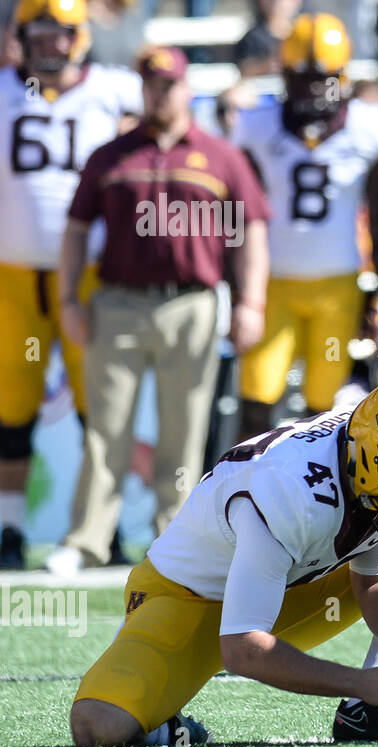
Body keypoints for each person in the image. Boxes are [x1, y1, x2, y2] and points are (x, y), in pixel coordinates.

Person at [68, 374, 378, 747]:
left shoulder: (367, 451)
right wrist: (360, 680)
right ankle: (165, 724)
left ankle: (367, 714)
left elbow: (374, 578)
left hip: (287, 585)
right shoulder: (289, 493)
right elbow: (244, 648)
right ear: (373, 470)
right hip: (188, 601)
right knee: (99, 725)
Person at [47, 46, 270, 574]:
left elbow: (251, 232)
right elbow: (76, 231)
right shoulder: (112, 156)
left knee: (183, 431)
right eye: (151, 83)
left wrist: (251, 301)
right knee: (107, 430)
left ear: (187, 87)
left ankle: (172, 543)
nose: (160, 92)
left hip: (190, 304)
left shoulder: (221, 156)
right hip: (119, 301)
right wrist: (68, 299)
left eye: (168, 83)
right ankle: (87, 541)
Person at [0, 0, 141, 571]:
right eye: (40, 35)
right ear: (20, 39)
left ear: (82, 38)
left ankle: (104, 530)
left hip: (88, 278)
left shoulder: (114, 91)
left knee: (99, 410)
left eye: (62, 35)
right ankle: (14, 535)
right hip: (15, 274)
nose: (51, 47)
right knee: (16, 406)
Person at [231, 13, 378, 443]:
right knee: (256, 400)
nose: (311, 91)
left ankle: (314, 503)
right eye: (302, 80)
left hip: (337, 287)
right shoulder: (257, 124)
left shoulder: (371, 126)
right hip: (272, 284)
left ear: (342, 78)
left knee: (322, 412)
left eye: (320, 80)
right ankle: (246, 500)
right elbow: (239, 213)